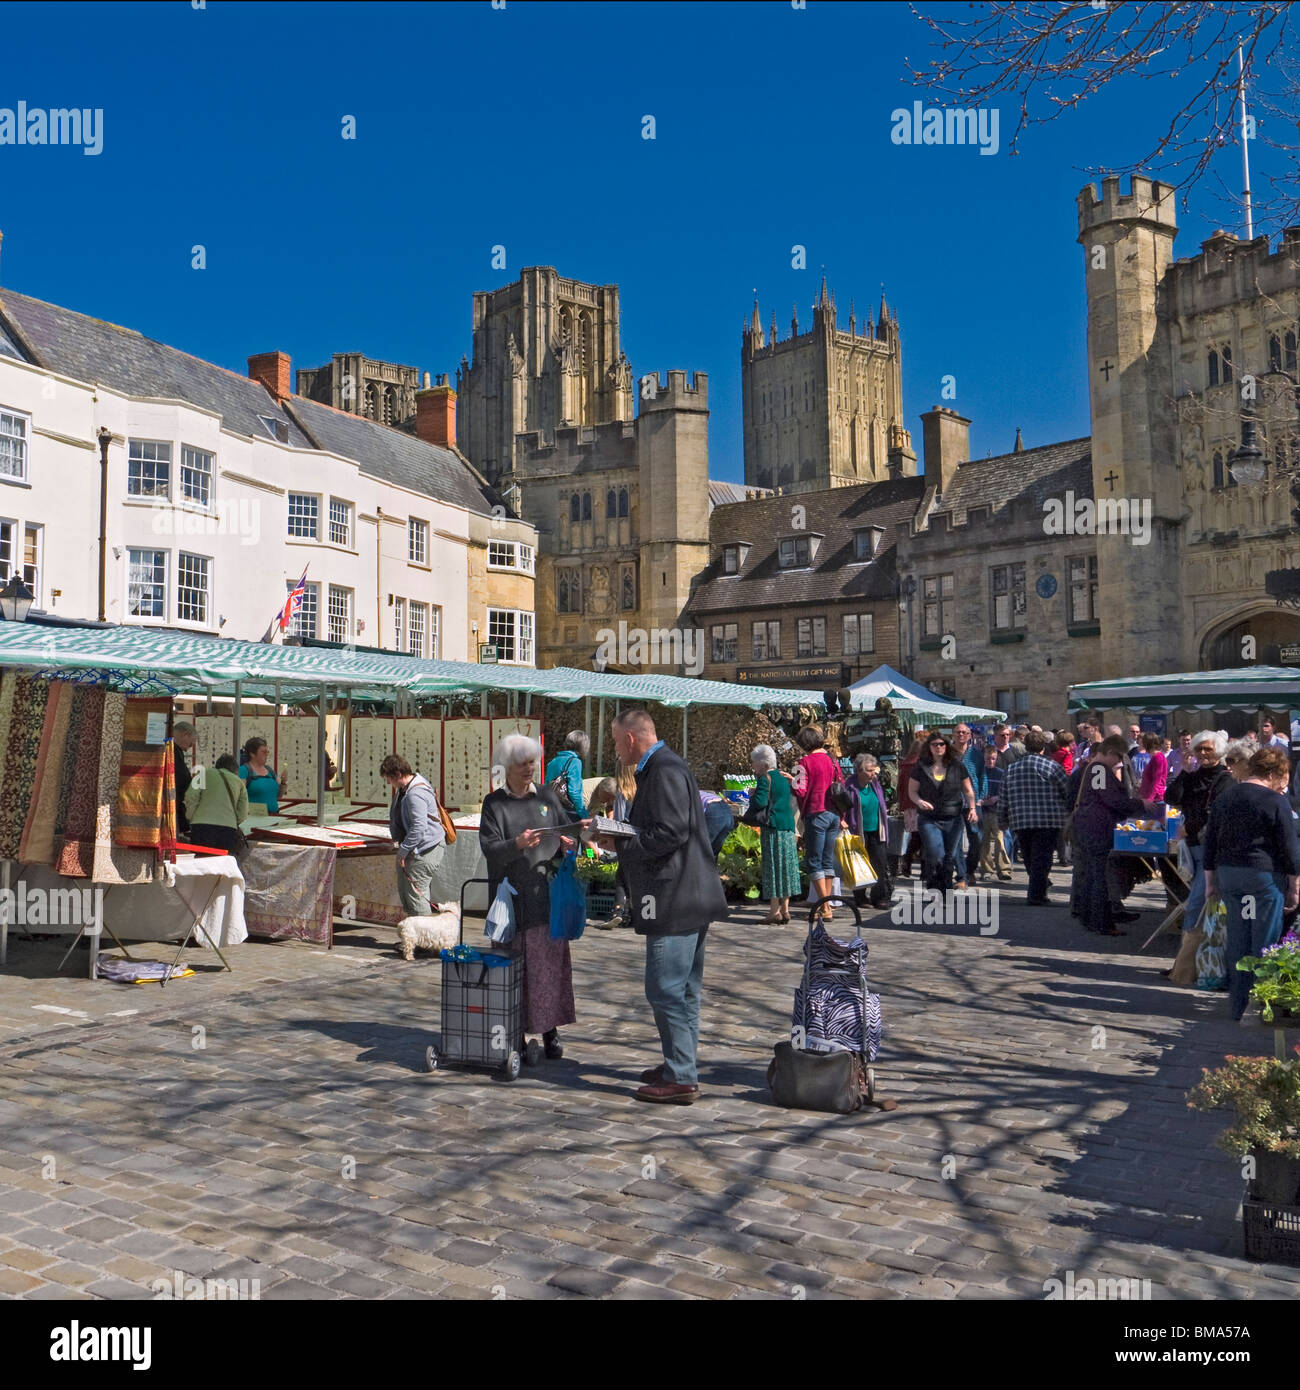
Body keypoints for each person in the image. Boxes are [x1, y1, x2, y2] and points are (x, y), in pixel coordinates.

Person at [609, 709, 727, 1104]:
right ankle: (680, 1063)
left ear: (629, 738)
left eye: (614, 740)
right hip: (687, 893)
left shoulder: (662, 769)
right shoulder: (664, 766)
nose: (614, 749)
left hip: (674, 897)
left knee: (664, 989)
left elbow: (670, 832)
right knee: (684, 990)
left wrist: (621, 843)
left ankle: (680, 1075)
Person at [478, 734, 585, 1060]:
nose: (529, 769)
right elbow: (490, 849)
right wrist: (517, 844)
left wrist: (571, 842)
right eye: (522, 763)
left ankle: (550, 1032)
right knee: (517, 972)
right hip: (512, 902)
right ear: (508, 766)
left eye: (532, 762)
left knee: (548, 971)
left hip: (546, 898)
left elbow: (566, 828)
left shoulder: (547, 798)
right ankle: (516, 1037)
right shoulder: (494, 803)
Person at [1203, 746, 1300, 1021]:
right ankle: (1260, 1006)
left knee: (1239, 938)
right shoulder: (1275, 801)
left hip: (1231, 877)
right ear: (1272, 773)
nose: (1285, 784)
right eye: (1284, 777)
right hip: (1262, 878)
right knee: (1264, 942)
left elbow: (1210, 841)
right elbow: (1290, 849)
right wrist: (1295, 887)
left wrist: (1210, 881)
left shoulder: (1226, 796)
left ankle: (1238, 1005)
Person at [1071, 735, 1161, 936]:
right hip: (1096, 829)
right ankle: (1101, 922)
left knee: (1093, 875)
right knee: (1099, 876)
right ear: (1111, 752)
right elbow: (1110, 799)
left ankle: (1091, 919)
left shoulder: (1094, 769)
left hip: (1089, 827)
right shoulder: (1098, 769)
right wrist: (1141, 805)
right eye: (1118, 757)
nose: (1119, 762)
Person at [1165, 729, 1232, 960]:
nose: (1203, 753)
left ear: (1219, 751)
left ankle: (1183, 961)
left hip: (1210, 848)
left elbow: (1213, 813)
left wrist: (1189, 827)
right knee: (1200, 901)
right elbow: (1171, 798)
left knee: (1194, 903)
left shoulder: (1225, 778)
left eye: (1208, 749)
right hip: (1191, 847)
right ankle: (1201, 958)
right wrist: (1183, 771)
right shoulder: (1193, 776)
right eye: (1199, 749)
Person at [999, 730, 1071, 905]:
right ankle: (1037, 894)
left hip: (1021, 820)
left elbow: (1003, 795)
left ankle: (1039, 886)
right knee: (1042, 858)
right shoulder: (1053, 766)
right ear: (1043, 747)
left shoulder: (1012, 769)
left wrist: (1002, 819)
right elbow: (1067, 791)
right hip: (1049, 819)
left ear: (1025, 746)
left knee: (1030, 857)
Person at [908, 732, 977, 892]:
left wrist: (972, 808)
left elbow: (968, 790)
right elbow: (912, 791)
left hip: (953, 817)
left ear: (947, 746)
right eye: (934, 744)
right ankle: (934, 888)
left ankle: (944, 890)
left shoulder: (957, 766)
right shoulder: (920, 767)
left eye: (941, 744)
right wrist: (919, 801)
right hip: (929, 818)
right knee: (935, 854)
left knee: (948, 857)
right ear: (929, 747)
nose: (938, 747)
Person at [383, 752, 448, 917]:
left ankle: (424, 940)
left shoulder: (415, 793)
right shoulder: (405, 789)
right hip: (419, 848)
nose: (388, 783)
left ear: (398, 774)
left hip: (426, 850)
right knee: (408, 894)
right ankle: (415, 938)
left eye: (388, 778)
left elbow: (419, 827)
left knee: (416, 896)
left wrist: (403, 849)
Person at [793, 725, 845, 922]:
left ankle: (823, 907)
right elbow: (841, 784)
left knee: (814, 861)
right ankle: (827, 904)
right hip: (834, 813)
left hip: (816, 812)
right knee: (827, 860)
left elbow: (799, 790)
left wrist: (791, 781)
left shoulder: (803, 762)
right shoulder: (833, 761)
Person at [749, 744, 798, 924]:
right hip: (788, 826)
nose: (753, 766)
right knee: (786, 868)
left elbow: (761, 802)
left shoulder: (765, 778)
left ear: (763, 764)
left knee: (773, 869)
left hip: (773, 828)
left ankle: (773, 912)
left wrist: (752, 795)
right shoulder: (782, 778)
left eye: (754, 762)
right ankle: (785, 909)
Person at [844, 752, 891, 909]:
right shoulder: (849, 786)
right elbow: (843, 808)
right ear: (859, 770)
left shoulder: (875, 784)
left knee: (880, 863)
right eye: (869, 770)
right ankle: (861, 897)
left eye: (873, 770)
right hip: (858, 831)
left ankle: (880, 897)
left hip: (877, 830)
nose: (872, 774)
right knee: (860, 865)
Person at [185, 753, 248, 856]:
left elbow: (191, 796)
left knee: (201, 861)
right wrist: (232, 821)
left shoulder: (203, 774)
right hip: (228, 829)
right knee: (221, 864)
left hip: (202, 826)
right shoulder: (239, 782)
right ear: (235, 770)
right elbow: (243, 812)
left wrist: (191, 816)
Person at [955, 724, 985, 883]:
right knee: (956, 841)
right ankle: (961, 874)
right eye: (958, 732)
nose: (961, 735)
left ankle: (970, 868)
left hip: (973, 802)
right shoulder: (947, 754)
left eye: (964, 732)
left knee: (977, 839)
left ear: (969, 735)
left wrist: (981, 797)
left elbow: (983, 776)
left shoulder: (976, 755)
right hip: (953, 802)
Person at [979, 744, 1012, 881]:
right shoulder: (979, 773)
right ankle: (986, 869)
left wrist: (996, 798)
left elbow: (1006, 792)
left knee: (1000, 840)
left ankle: (1003, 869)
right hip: (982, 810)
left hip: (996, 811)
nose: (990, 762)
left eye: (993, 759)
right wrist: (981, 799)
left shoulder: (1001, 773)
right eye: (988, 759)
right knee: (984, 841)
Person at [897, 730, 926, 879]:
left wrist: (902, 804)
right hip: (920, 804)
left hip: (909, 805)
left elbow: (900, 787)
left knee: (916, 837)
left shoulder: (904, 765)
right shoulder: (921, 766)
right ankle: (920, 868)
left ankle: (908, 863)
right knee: (922, 838)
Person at [544, 730, 589, 815]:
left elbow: (547, 785)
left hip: (552, 809)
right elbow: (574, 791)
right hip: (567, 812)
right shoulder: (575, 762)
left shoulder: (553, 761)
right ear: (583, 746)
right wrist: (583, 813)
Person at [239, 737, 284, 814]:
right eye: (263, 752)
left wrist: (283, 782)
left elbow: (279, 795)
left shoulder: (270, 770)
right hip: (254, 819)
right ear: (252, 754)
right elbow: (239, 796)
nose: (267, 755)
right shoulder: (243, 770)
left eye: (267, 752)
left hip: (274, 817)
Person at [173, 721, 196, 836]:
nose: (188, 749)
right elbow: (181, 779)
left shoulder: (176, 751)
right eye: (190, 745)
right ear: (185, 735)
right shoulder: (173, 750)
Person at [699, 788, 735, 857]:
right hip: (726, 809)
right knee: (712, 853)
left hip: (713, 810)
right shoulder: (695, 791)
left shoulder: (678, 796)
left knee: (700, 852)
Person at [1137, 731, 1168, 801]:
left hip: (1154, 799)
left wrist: (1150, 799)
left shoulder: (1158, 758)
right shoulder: (1155, 757)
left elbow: (1157, 780)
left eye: (1143, 743)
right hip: (1149, 797)